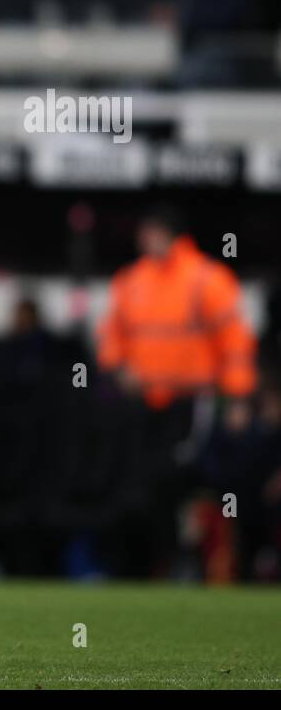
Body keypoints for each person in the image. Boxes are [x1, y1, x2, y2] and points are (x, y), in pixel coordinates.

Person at [97, 207, 256, 574]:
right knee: (143, 485)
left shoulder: (206, 279)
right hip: (143, 403)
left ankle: (195, 562)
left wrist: (236, 398)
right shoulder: (132, 280)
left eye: (150, 232)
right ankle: (154, 564)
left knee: (184, 479)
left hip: (191, 401)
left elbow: (234, 343)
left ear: (170, 234)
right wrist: (119, 369)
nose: (144, 241)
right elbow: (111, 335)